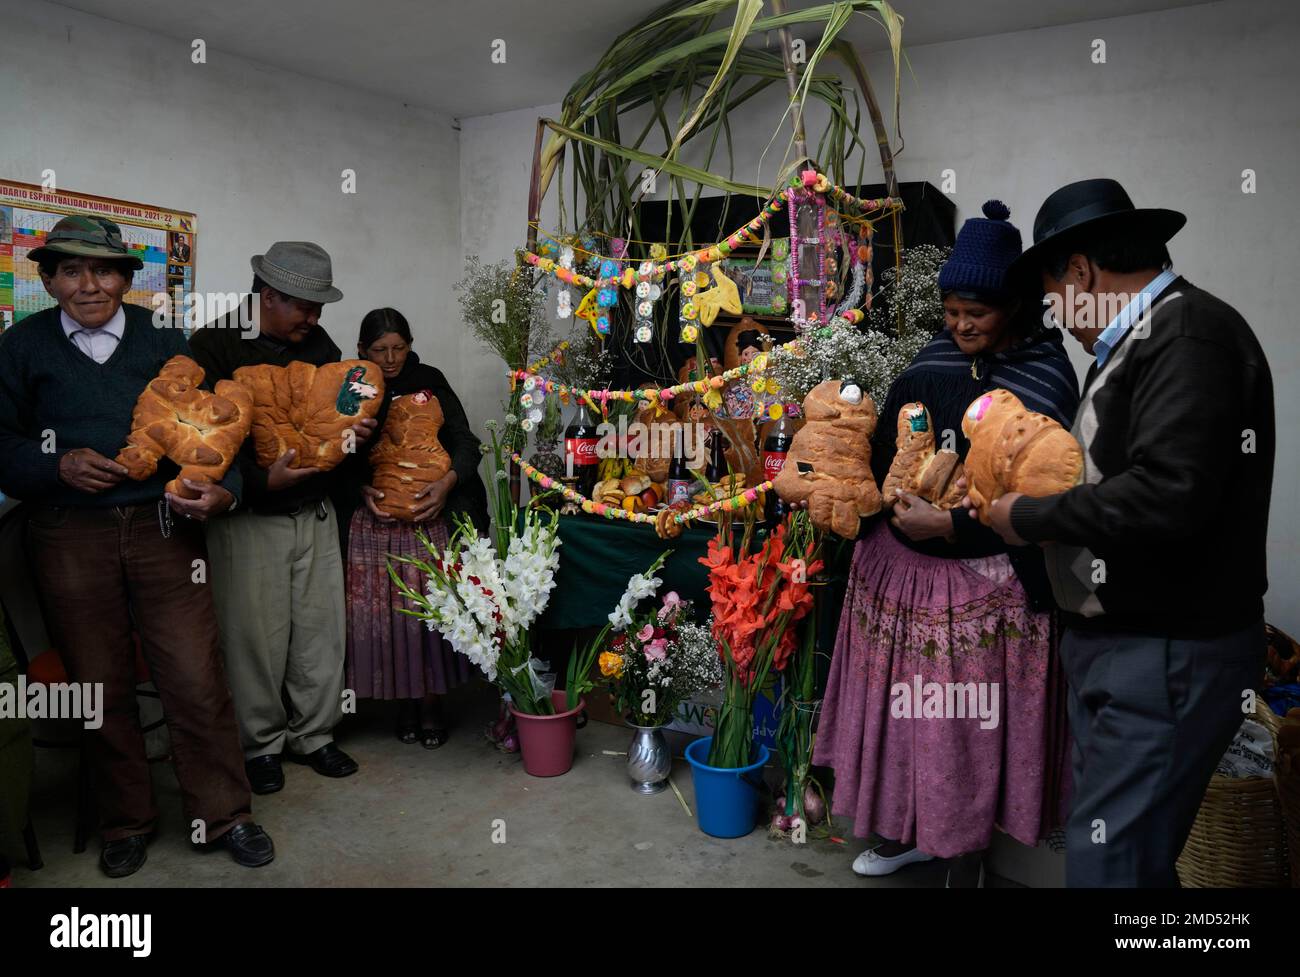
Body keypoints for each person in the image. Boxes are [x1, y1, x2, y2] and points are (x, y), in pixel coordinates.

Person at [983, 178, 1274, 887]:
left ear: (1080, 272)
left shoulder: (1187, 333)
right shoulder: (1140, 341)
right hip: (1125, 648)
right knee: (1131, 857)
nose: (1059, 315)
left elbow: (1168, 497)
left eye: (1054, 296)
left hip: (1167, 652)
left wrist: (1026, 517)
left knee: (1109, 867)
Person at [813, 201, 1079, 887]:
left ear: (1014, 308)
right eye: (953, 310)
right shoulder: (930, 360)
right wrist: (862, 495)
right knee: (910, 719)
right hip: (903, 577)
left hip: (988, 590)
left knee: (966, 728)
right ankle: (911, 832)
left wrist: (953, 525)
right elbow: (882, 455)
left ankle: (966, 852)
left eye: (978, 313)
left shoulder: (1045, 377)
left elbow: (1046, 498)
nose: (961, 325)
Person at [0, 216, 273, 876]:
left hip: (164, 526)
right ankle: (126, 820)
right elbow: (0, 444)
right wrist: (54, 466)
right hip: (68, 534)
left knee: (195, 675)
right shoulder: (20, 347)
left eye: (102, 270)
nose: (87, 284)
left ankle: (224, 813)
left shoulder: (162, 337)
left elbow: (216, 425)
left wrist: (224, 490)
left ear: (126, 278)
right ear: (48, 279)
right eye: (70, 269)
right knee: (100, 684)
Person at [189, 241, 376, 795]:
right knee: (254, 639)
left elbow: (350, 409)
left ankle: (315, 734)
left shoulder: (319, 344)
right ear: (268, 295)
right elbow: (197, 439)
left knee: (320, 631)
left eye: (318, 308)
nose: (314, 319)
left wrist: (354, 431)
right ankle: (260, 745)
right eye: (304, 306)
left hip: (315, 512)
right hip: (249, 519)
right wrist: (256, 481)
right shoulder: (213, 346)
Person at [336, 308, 488, 748]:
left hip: (428, 516)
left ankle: (430, 703)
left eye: (399, 348)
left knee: (428, 613)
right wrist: (361, 488)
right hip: (376, 521)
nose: (390, 359)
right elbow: (336, 452)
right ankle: (401, 702)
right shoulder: (354, 386)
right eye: (379, 350)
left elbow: (465, 441)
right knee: (389, 616)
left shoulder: (429, 379)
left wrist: (446, 484)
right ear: (361, 349)